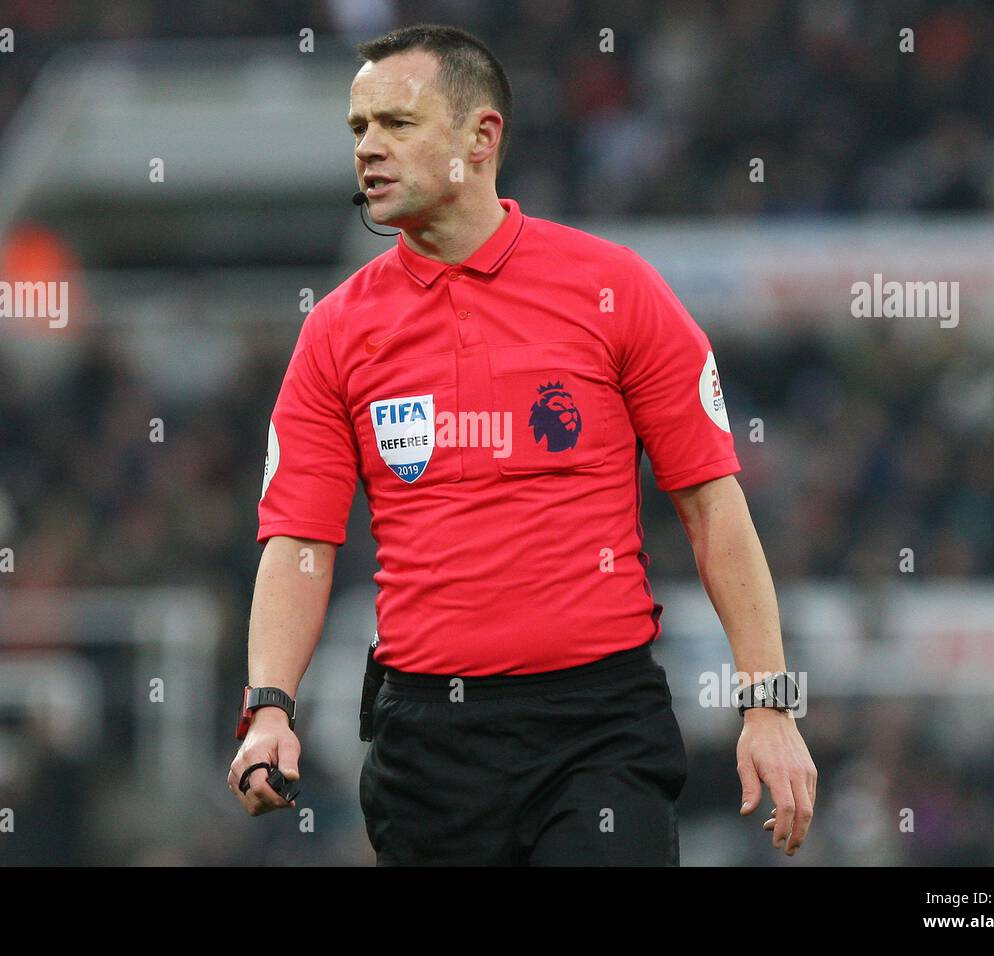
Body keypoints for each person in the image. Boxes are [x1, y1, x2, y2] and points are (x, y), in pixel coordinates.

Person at [228, 23, 817, 865]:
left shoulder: (616, 291)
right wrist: (270, 708)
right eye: (358, 129)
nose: (368, 149)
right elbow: (300, 543)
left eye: (397, 123)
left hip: (597, 733)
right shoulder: (336, 333)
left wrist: (768, 703)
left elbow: (712, 505)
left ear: (482, 137)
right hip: (428, 748)